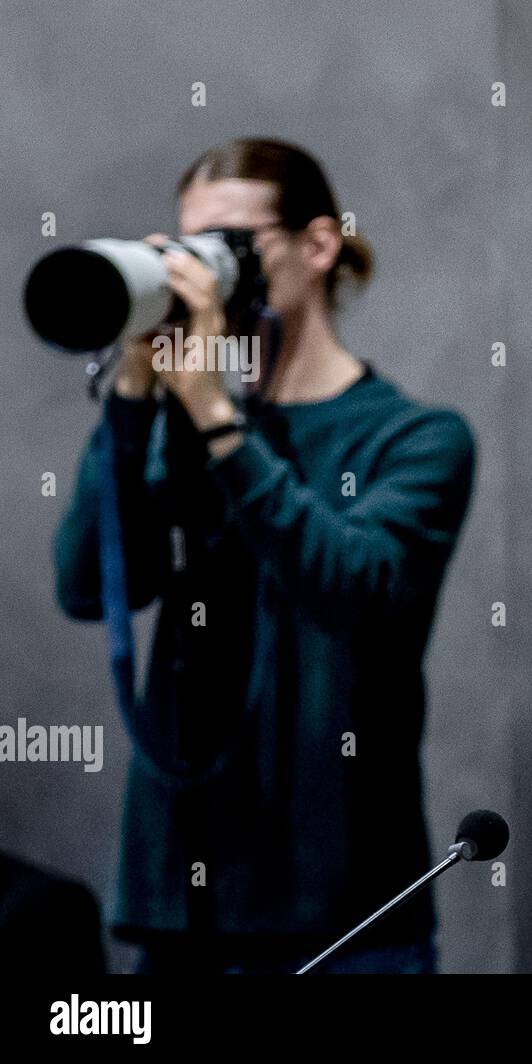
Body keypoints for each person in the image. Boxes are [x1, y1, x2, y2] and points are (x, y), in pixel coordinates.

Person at [51, 138, 474, 973]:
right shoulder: (180, 427)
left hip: (347, 908)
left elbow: (351, 587)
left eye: (231, 246)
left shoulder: (416, 436)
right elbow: (86, 587)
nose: (206, 275)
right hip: (182, 904)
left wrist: (218, 416)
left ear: (317, 246)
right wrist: (136, 400)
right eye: (187, 248)